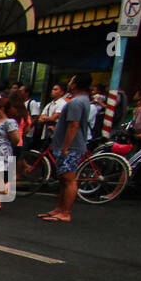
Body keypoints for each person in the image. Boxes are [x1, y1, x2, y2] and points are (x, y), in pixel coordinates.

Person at [39, 73, 92, 223]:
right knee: (63, 178)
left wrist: (66, 147)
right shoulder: (79, 100)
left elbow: (73, 125)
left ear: (75, 84)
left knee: (69, 179)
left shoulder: (76, 102)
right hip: (67, 145)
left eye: (71, 80)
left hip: (71, 146)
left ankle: (65, 212)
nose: (69, 83)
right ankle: (59, 209)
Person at [35, 82, 67, 147]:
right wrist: (47, 118)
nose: (52, 91)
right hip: (46, 134)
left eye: (55, 89)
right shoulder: (49, 104)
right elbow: (40, 118)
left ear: (62, 92)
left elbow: (53, 118)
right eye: (53, 89)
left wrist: (46, 118)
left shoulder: (62, 103)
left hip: (56, 134)